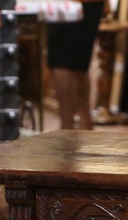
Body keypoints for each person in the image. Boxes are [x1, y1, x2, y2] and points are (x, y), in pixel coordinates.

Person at [46, 0, 105, 129]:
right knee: (79, 64)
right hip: (90, 5)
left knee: (61, 61)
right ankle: (84, 125)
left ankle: (68, 127)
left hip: (71, 5)